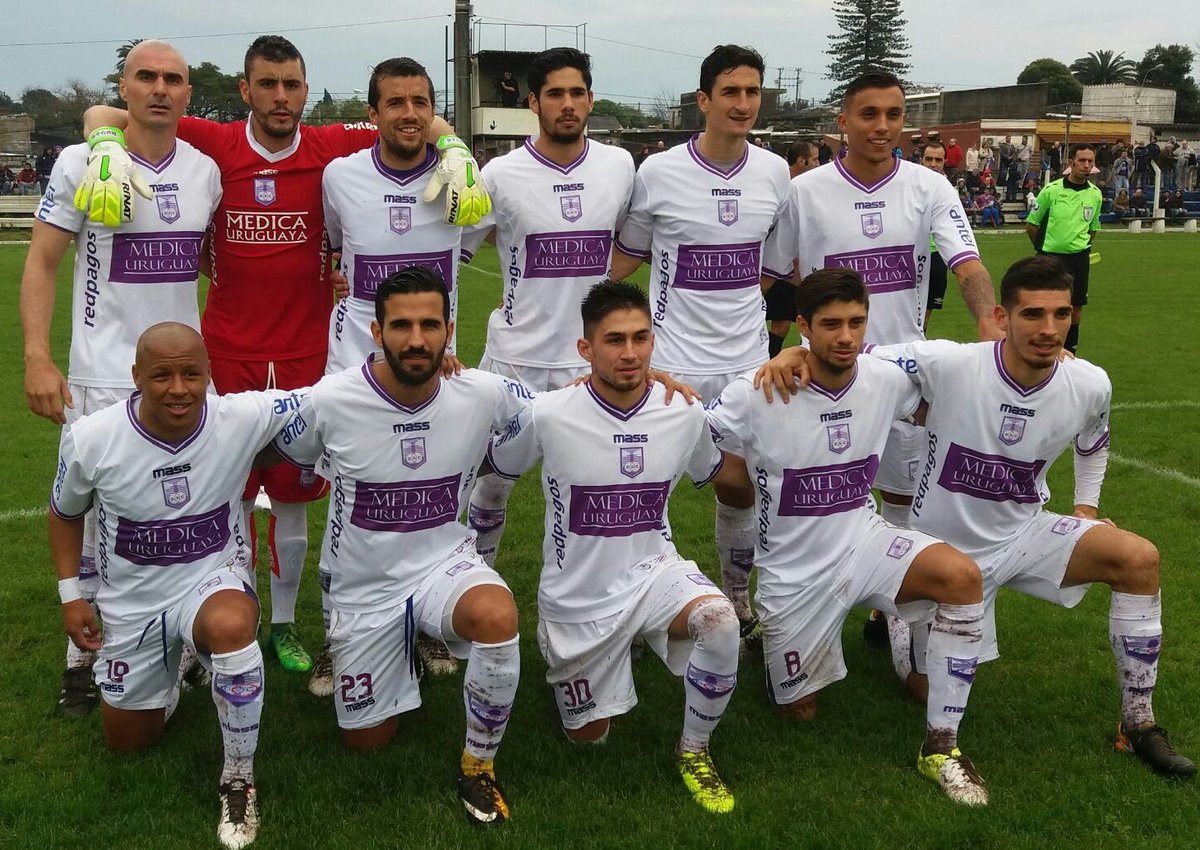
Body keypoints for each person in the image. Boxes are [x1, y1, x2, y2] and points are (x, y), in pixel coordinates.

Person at [82, 35, 487, 693]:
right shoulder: (216, 141)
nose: (280, 97)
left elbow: (417, 117)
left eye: (291, 85)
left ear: (305, 90)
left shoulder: (330, 145)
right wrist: (103, 145)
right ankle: (216, 625)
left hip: (306, 354)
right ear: (245, 90)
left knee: (299, 502)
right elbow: (110, 114)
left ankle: (286, 626)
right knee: (224, 499)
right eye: (267, 85)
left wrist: (457, 147)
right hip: (228, 352)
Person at [769, 256, 1197, 782]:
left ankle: (1139, 723)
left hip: (1024, 532)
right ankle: (901, 619)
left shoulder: (1090, 383)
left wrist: (1086, 505)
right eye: (1033, 315)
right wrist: (794, 348)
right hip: (941, 552)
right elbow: (854, 351)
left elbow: (1095, 441)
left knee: (1139, 559)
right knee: (924, 691)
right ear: (1003, 315)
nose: (1049, 329)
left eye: (1061, 315)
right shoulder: (950, 362)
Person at [711, 269, 990, 805]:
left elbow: (963, 376)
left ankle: (941, 745)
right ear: (802, 327)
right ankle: (775, 643)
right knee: (798, 713)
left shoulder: (885, 377)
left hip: (865, 539)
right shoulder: (757, 391)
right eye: (831, 324)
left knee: (960, 576)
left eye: (856, 322)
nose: (845, 336)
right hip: (795, 570)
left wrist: (1046, 360)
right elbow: (694, 438)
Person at [271, 268, 529, 824]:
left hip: (445, 564)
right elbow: (284, 446)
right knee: (365, 740)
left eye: (430, 325)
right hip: (363, 585)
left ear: (449, 330)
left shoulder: (482, 392)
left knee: (497, 615)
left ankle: (478, 765)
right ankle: (397, 647)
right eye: (403, 325)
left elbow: (565, 407)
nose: (417, 339)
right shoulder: (331, 399)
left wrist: (646, 378)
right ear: (377, 331)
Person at [486, 281, 745, 814]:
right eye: (613, 340)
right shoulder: (549, 413)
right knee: (590, 741)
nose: (630, 353)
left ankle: (694, 750)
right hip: (577, 600)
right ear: (586, 349)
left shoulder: (682, 410)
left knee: (719, 619)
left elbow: (723, 473)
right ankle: (580, 663)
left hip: (654, 572)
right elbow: (497, 466)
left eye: (640, 338)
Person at [21, 40, 222, 717]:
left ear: (188, 95)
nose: (160, 89)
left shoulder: (204, 172)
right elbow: (44, 263)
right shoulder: (82, 162)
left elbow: (198, 265)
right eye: (146, 77)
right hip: (102, 378)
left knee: (183, 511)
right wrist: (36, 357)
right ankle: (81, 657)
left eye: (173, 79)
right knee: (89, 514)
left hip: (186, 380)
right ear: (125, 87)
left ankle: (183, 643)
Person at [50, 322, 307, 849]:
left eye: (192, 373)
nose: (178, 388)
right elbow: (63, 512)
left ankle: (238, 778)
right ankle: (176, 668)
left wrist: (417, 365)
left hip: (212, 580)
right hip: (134, 602)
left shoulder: (239, 416)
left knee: (232, 627)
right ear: (135, 375)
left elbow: (327, 398)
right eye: (162, 375)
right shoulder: (92, 437)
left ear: (209, 375)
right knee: (128, 743)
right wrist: (71, 594)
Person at [761, 70, 1000, 564]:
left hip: (903, 371)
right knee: (812, 495)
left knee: (902, 494)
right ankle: (800, 599)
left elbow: (966, 264)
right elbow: (771, 275)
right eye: (868, 114)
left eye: (893, 115)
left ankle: (886, 599)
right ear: (842, 121)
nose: (882, 126)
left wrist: (990, 325)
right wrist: (760, 345)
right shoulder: (804, 192)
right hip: (823, 370)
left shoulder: (930, 187)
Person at [609, 43, 790, 646]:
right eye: (731, 92)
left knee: (741, 486)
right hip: (669, 366)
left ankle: (738, 600)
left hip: (745, 365)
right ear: (703, 99)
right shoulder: (657, 173)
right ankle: (636, 603)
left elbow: (771, 265)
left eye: (753, 92)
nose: (743, 104)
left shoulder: (773, 171)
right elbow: (626, 259)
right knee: (641, 489)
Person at [459, 47, 636, 570]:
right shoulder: (500, 174)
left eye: (577, 93)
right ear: (533, 102)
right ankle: (476, 581)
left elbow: (632, 245)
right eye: (555, 94)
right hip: (516, 359)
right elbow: (455, 250)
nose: (567, 104)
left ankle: (601, 591)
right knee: (491, 486)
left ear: (590, 99)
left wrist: (598, 292)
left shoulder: (620, 165)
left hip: (591, 364)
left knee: (598, 487)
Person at [1024, 143, 1102, 353]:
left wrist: (1078, 245)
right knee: (1043, 305)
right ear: (1071, 163)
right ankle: (1042, 347)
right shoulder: (1051, 191)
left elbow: (1093, 229)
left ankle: (1069, 352)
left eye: (1090, 162)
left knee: (1075, 308)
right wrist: (1043, 249)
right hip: (1050, 258)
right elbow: (1031, 225)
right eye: (1082, 161)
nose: (1086, 165)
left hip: (1079, 259)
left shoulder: (1095, 195)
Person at [763, 139, 820, 356]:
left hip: (805, 272)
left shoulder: (814, 190)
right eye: (814, 159)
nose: (818, 163)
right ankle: (767, 363)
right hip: (778, 270)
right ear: (802, 161)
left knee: (810, 323)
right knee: (781, 324)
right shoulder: (781, 189)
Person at [919, 141, 949, 331]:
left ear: (945, 162)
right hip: (912, 253)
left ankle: (922, 335)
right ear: (921, 160)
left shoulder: (948, 189)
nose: (933, 164)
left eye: (938, 160)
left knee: (929, 307)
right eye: (929, 159)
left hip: (936, 254)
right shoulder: (909, 186)